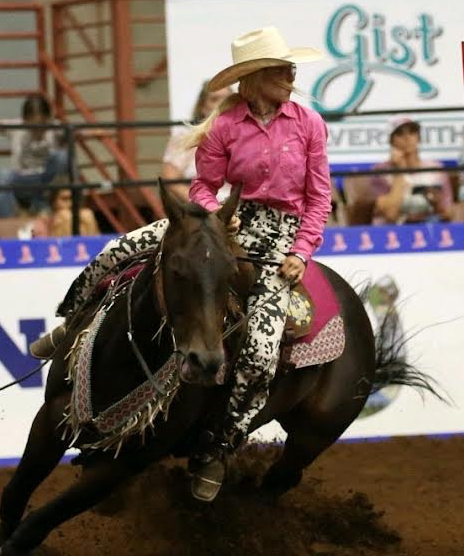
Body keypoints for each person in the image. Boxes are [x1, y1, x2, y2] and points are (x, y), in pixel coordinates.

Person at [30, 25, 331, 503]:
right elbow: (203, 186)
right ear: (253, 78)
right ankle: (71, 326)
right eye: (280, 68)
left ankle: (217, 446)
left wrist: (300, 252)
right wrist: (211, 221)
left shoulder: (309, 124)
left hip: (277, 239)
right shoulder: (226, 126)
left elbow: (318, 197)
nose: (291, 74)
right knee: (118, 250)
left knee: (259, 350)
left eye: (290, 67)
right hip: (219, 224)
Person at [0, 86, 70, 218]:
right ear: (24, 120)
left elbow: (79, 133)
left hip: (47, 184)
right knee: (4, 175)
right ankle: (6, 223)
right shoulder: (16, 127)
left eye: (41, 125)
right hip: (24, 181)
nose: (37, 130)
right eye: (32, 126)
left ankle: (47, 203)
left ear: (48, 119)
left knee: (62, 156)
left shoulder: (55, 128)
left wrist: (96, 131)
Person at [367, 116, 453, 223]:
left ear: (419, 137)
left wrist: (437, 203)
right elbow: (390, 214)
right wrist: (399, 171)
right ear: (391, 141)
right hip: (393, 232)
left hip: (428, 228)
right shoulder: (380, 171)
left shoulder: (435, 169)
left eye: (412, 132)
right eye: (400, 133)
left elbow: (449, 213)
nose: (407, 138)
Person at [162, 81, 232, 198]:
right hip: (200, 209)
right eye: (215, 99)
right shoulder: (185, 137)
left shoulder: (250, 136)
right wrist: (199, 205)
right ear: (202, 107)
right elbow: (170, 178)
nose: (222, 103)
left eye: (228, 99)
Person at [36, 180, 101, 237]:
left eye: (74, 198)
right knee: (64, 216)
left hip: (91, 249)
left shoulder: (86, 215)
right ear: (53, 201)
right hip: (59, 249)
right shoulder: (43, 221)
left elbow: (103, 244)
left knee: (87, 214)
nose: (71, 203)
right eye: (65, 199)